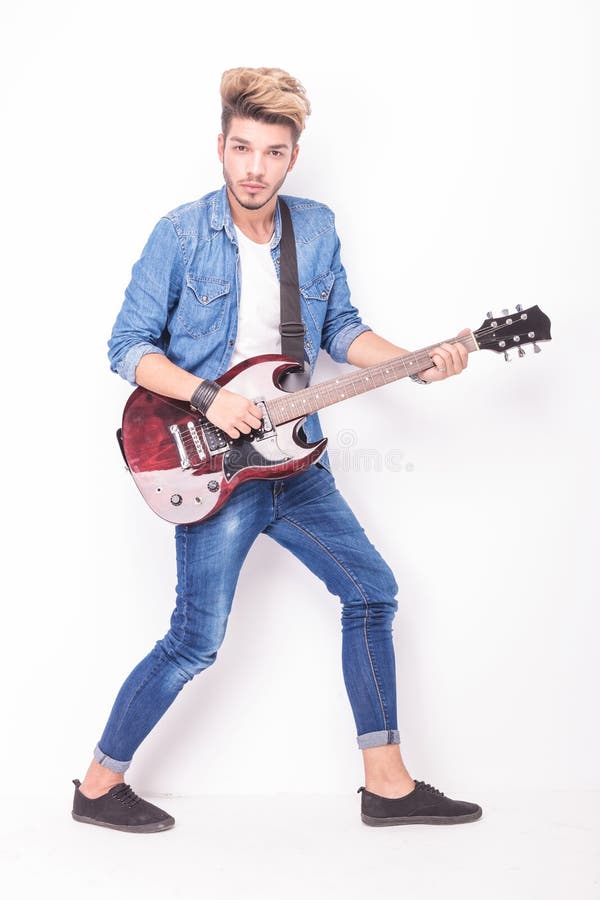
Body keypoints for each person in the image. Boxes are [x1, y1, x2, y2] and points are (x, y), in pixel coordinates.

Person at [72, 67, 482, 833]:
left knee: (370, 591)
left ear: (294, 156)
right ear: (220, 149)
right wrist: (208, 397)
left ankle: (387, 787)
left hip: (298, 464)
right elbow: (127, 347)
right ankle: (97, 786)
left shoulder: (316, 228)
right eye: (242, 149)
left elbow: (340, 330)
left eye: (273, 151)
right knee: (195, 643)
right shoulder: (181, 233)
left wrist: (419, 360)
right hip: (213, 467)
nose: (255, 168)